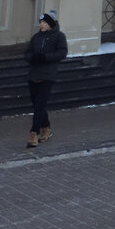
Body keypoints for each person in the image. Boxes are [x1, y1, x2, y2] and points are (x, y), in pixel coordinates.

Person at [24, 10, 68, 149]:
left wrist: (45, 57)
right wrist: (32, 58)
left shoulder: (59, 36)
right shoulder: (36, 37)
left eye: (43, 22)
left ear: (50, 24)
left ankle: (33, 134)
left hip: (48, 75)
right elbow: (27, 53)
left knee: (39, 105)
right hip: (33, 74)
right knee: (38, 104)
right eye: (40, 22)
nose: (40, 25)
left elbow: (62, 53)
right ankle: (46, 129)